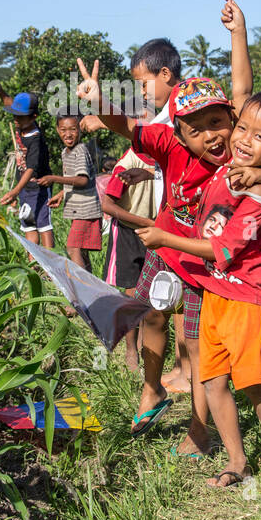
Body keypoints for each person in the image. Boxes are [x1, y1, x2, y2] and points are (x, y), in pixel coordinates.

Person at [136, 90, 261, 488]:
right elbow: (241, 90)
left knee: (252, 381)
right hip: (215, 293)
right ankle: (236, 461)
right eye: (242, 128)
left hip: (244, 297)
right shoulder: (229, 162)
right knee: (212, 381)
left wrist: (165, 238)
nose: (245, 140)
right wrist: (237, 32)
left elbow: (222, 248)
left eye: (259, 137)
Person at [100, 145, 160, 370]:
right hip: (128, 230)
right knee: (133, 293)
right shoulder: (126, 164)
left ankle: (148, 345)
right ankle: (131, 349)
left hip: (154, 230)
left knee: (152, 292)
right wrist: (144, 222)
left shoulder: (163, 161)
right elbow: (107, 204)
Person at [0, 78, 53, 248]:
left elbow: (31, 169)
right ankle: (33, 266)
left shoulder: (35, 139)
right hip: (25, 189)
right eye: (15, 115)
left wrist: (15, 191)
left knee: (43, 226)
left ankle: (50, 268)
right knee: (28, 226)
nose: (16, 119)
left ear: (34, 117)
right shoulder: (22, 124)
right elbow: (9, 102)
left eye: (21, 116)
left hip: (39, 188)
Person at [37, 110, 102, 273]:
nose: (68, 134)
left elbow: (82, 180)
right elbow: (74, 181)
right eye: (63, 130)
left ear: (80, 128)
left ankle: (82, 289)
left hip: (85, 210)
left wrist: (54, 178)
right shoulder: (66, 153)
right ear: (58, 130)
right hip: (78, 210)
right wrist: (61, 194)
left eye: (73, 129)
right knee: (81, 252)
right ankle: (93, 290)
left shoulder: (79, 151)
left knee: (73, 248)